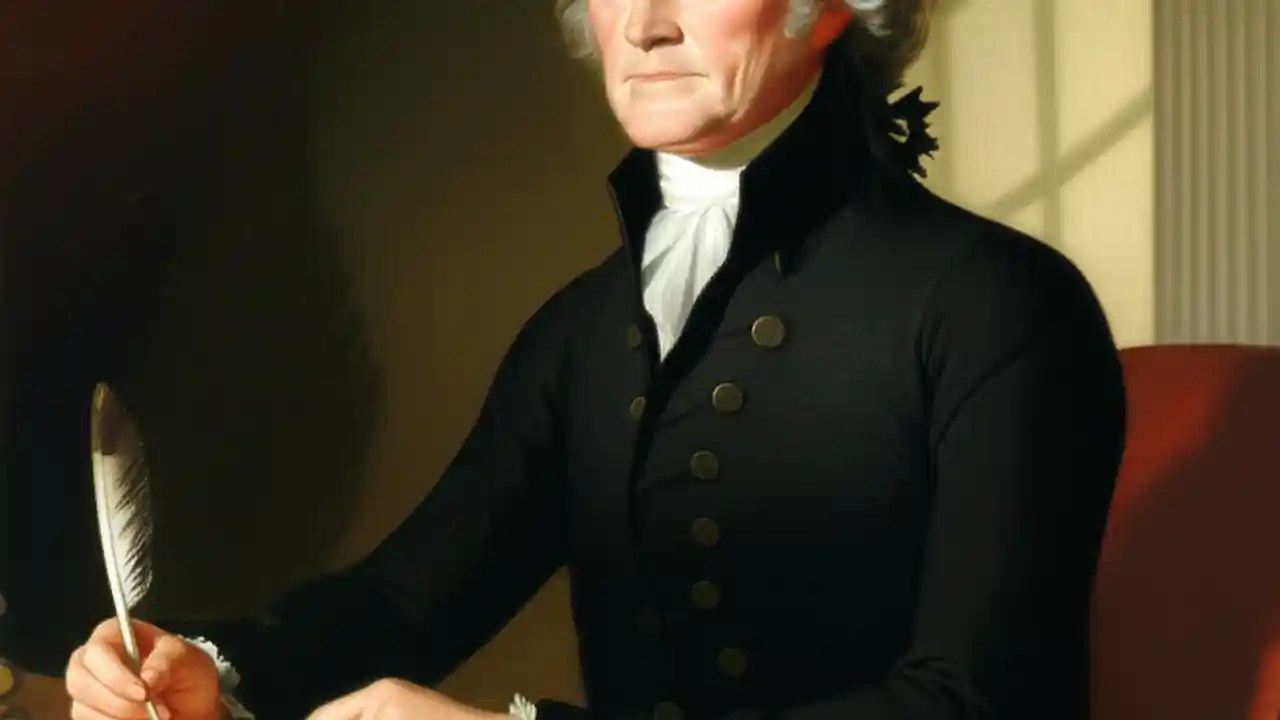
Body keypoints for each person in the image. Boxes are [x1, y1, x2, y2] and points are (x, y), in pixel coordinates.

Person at [64, 0, 1128, 718]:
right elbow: (408, 600)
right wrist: (208, 666)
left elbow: (973, 700)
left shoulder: (996, 303)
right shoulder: (581, 332)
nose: (649, 24)